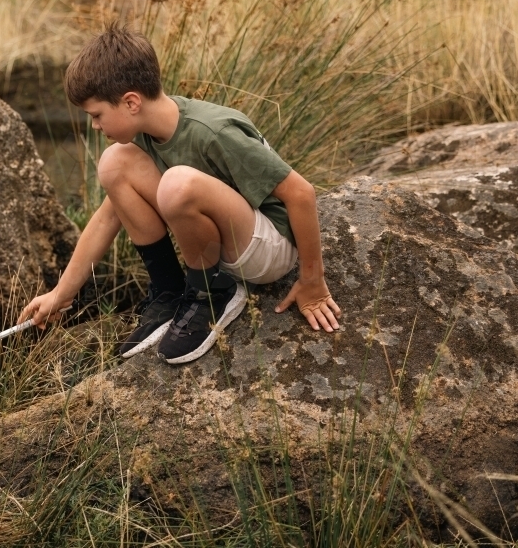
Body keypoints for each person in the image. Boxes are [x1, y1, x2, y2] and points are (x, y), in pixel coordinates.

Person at [19, 26, 342, 364]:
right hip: (225, 241)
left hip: (266, 248)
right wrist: (61, 294)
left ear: (131, 102)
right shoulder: (144, 133)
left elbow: (301, 193)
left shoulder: (212, 131)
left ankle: (212, 293)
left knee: (178, 184)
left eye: (97, 115)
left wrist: (312, 281)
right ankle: (171, 293)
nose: (95, 126)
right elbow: (107, 217)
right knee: (114, 163)